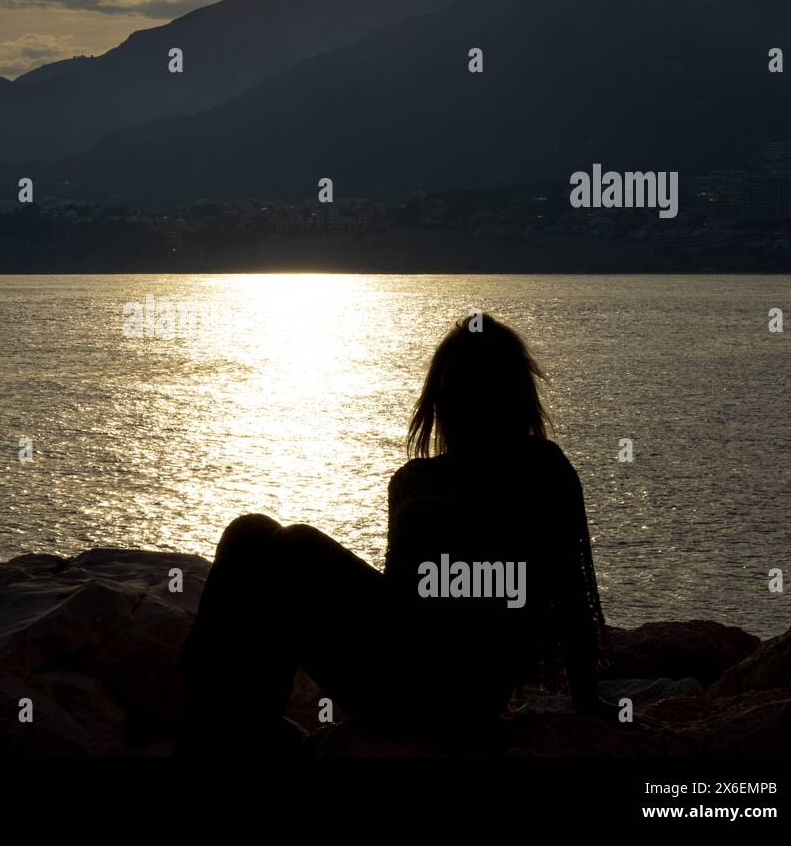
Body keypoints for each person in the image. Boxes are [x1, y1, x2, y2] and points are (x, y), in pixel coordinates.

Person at [176, 312, 609, 755]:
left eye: (476, 388)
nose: (458, 403)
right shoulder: (413, 480)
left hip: (462, 696)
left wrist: (590, 703)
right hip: (394, 672)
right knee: (249, 531)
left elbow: (571, 595)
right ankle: (240, 723)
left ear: (505, 395)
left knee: (292, 542)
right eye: (453, 389)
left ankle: (222, 729)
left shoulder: (540, 470)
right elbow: (399, 600)